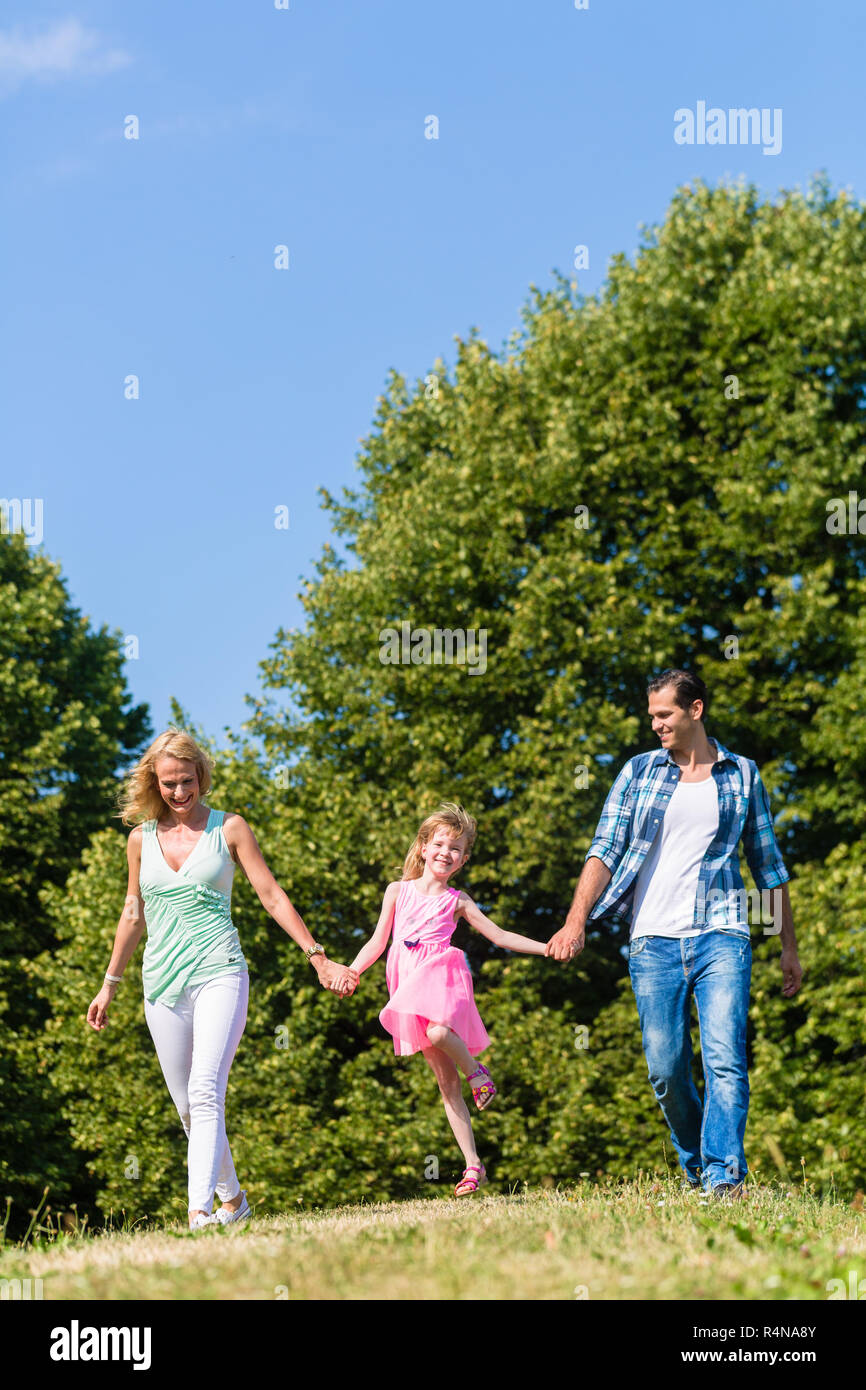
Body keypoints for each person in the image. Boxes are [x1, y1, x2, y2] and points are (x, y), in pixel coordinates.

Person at [86, 729, 357, 1229]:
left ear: (201, 776)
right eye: (168, 783)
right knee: (187, 1105)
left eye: (187, 781)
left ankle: (198, 1212)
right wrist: (109, 983)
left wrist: (317, 957)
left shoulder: (229, 828)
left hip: (219, 971)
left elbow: (271, 894)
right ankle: (232, 1199)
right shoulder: (139, 839)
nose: (180, 792)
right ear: (154, 782)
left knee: (207, 1089)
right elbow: (132, 912)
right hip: (161, 983)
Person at [547, 669, 803, 1198]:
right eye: (652, 717)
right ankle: (695, 1164)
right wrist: (576, 920)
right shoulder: (639, 771)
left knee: (724, 1057)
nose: (657, 724)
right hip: (652, 940)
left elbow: (768, 866)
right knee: (665, 1070)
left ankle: (722, 1177)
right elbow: (604, 850)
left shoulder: (742, 774)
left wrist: (788, 950)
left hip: (722, 933)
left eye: (665, 714)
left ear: (696, 710)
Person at [348, 803, 547, 1197]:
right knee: (445, 1084)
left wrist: (547, 947)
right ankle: (474, 1165)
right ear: (423, 847)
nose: (446, 853)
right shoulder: (397, 891)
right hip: (406, 983)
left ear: (463, 859)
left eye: (455, 849)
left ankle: (478, 1072)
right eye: (439, 844)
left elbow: (501, 936)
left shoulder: (457, 901)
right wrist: (352, 971)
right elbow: (377, 941)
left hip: (441, 976)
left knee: (440, 1033)